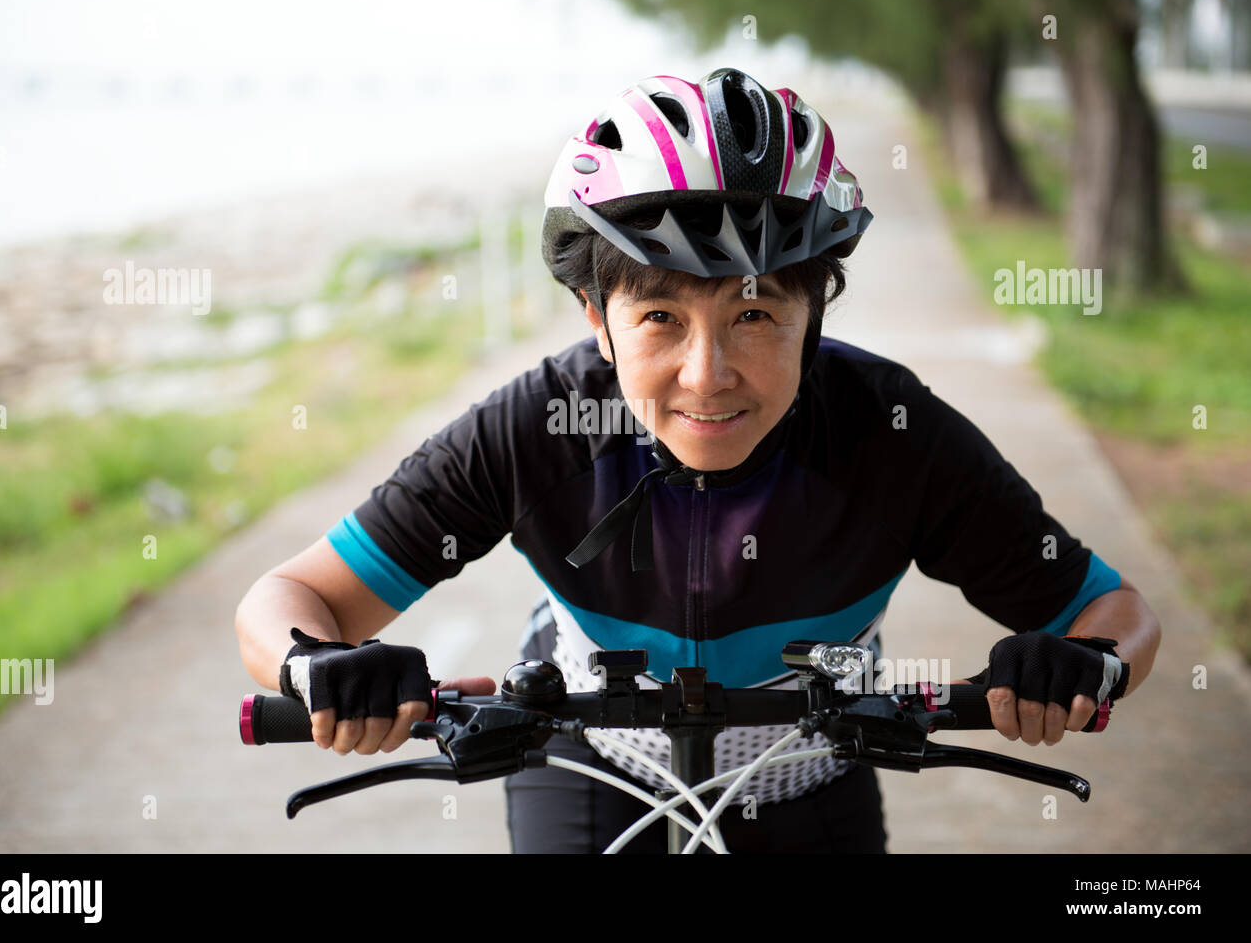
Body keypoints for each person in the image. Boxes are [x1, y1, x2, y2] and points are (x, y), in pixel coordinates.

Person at [234, 67, 1161, 853]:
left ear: (815, 315)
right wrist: (317, 667)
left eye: (755, 315)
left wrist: (1080, 665)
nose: (707, 375)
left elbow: (1117, 612)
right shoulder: (539, 425)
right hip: (593, 766)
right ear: (597, 319)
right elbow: (282, 602)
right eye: (660, 317)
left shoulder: (890, 434)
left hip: (810, 777)